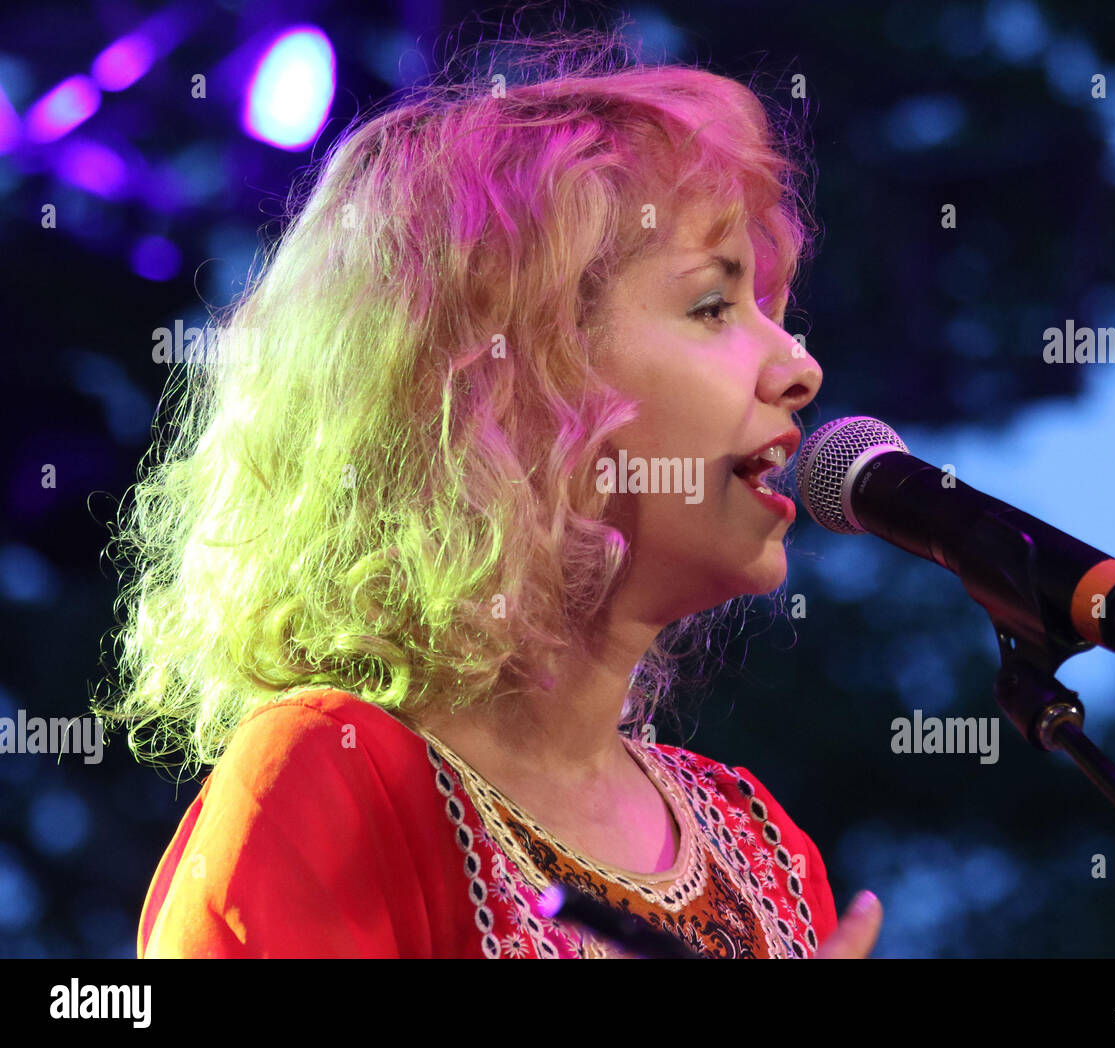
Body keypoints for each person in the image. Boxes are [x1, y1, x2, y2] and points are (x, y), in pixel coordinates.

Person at [98, 24, 883, 959]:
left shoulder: (767, 852)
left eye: (775, 313)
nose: (799, 366)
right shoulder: (333, 778)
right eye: (713, 305)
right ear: (511, 387)